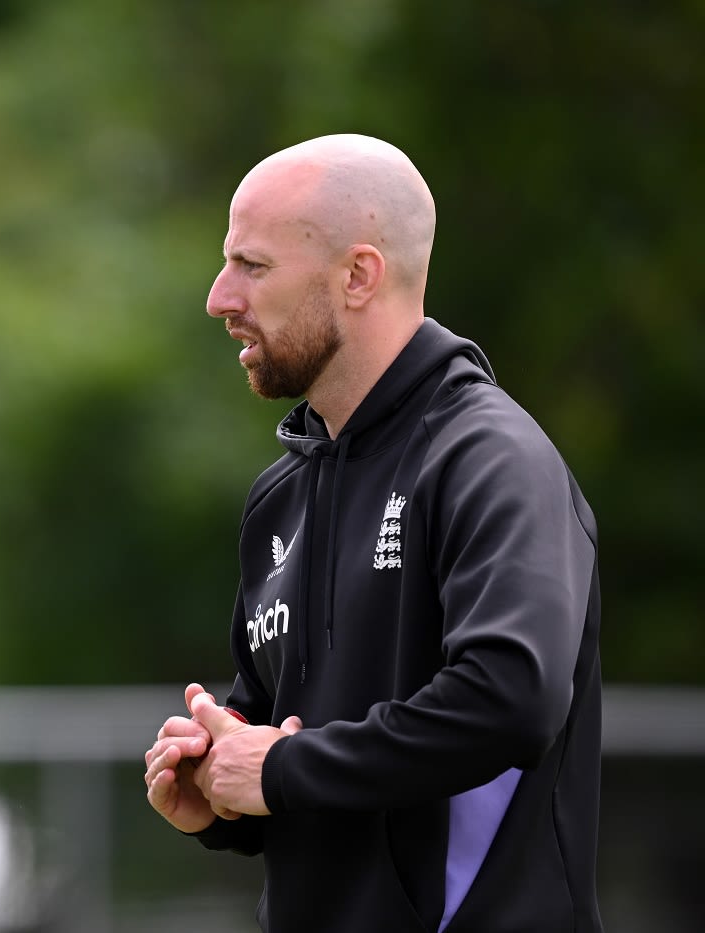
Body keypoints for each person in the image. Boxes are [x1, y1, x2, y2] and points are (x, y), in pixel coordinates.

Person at [143, 134, 602, 932]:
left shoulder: (489, 456)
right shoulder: (280, 494)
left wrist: (282, 767)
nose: (220, 297)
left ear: (358, 275)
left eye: (252, 265)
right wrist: (218, 785)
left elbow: (511, 699)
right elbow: (284, 745)